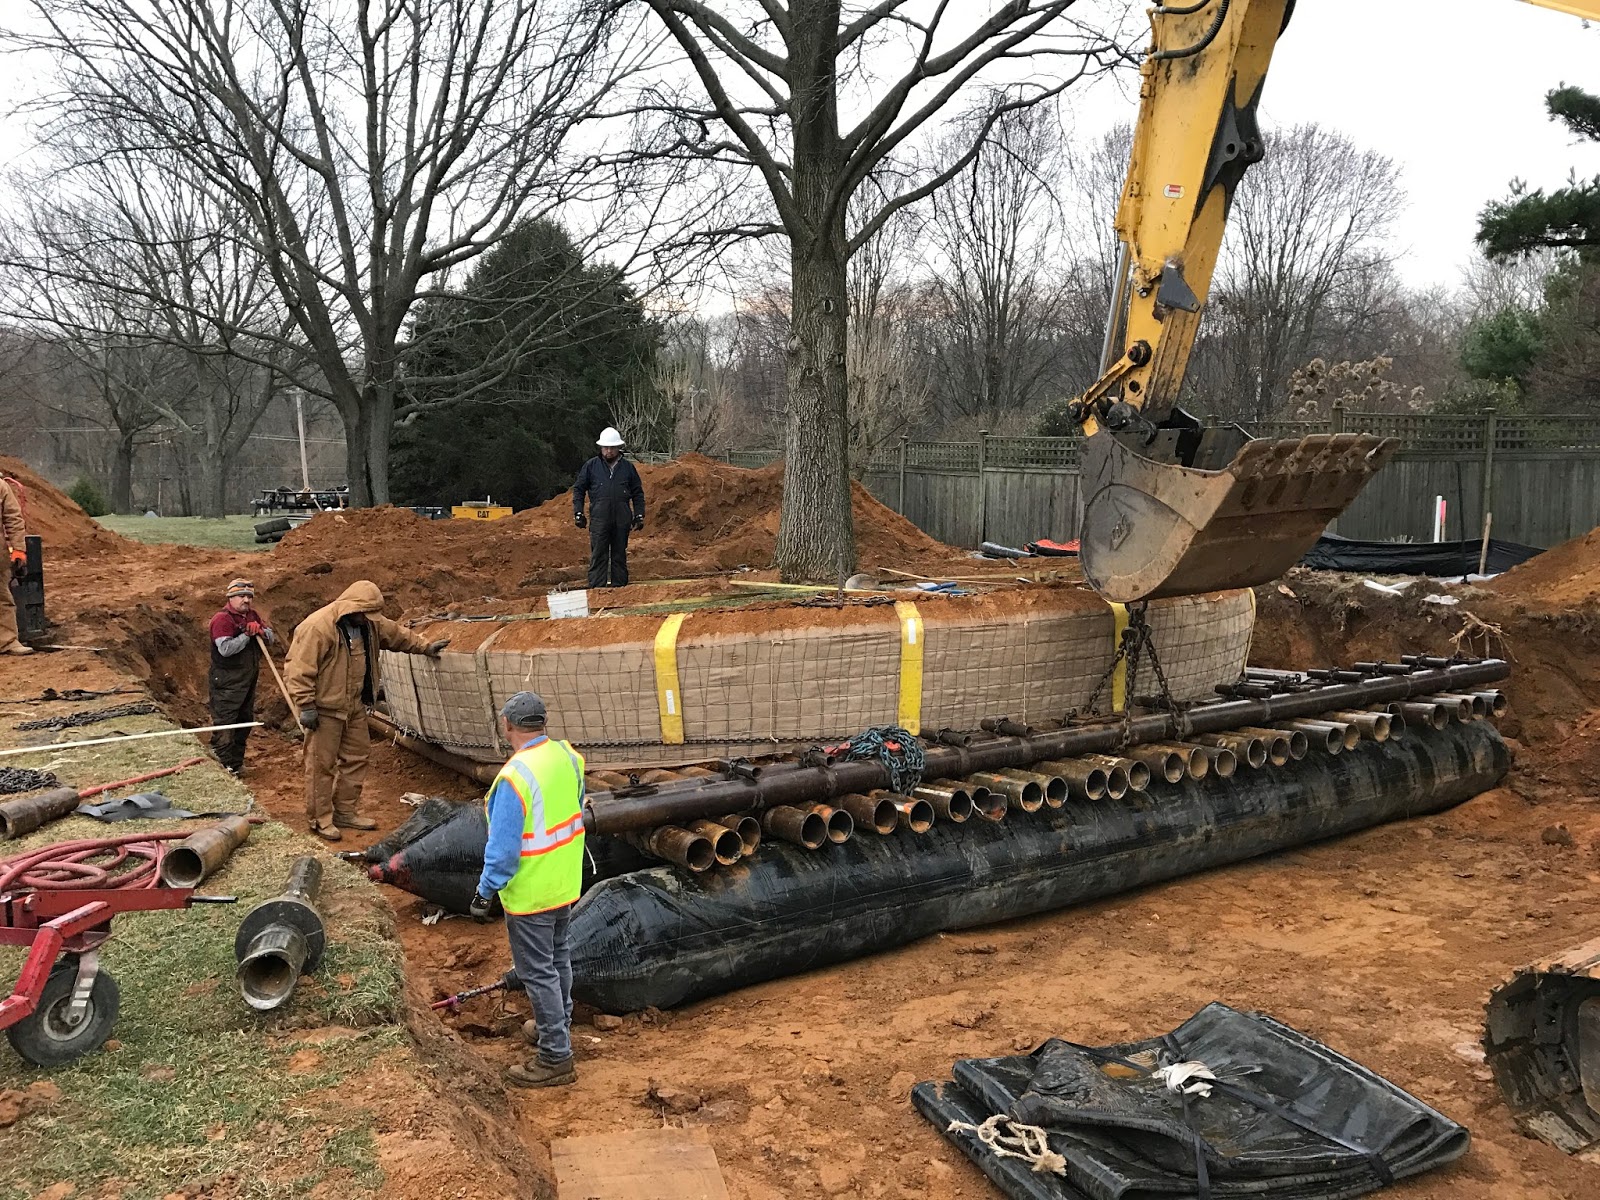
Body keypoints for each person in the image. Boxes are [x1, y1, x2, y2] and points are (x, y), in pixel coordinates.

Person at [469, 690, 586, 1089]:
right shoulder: (567, 756)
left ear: (507, 725)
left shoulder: (514, 778)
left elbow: (502, 850)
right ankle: (557, 1024)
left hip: (532, 892)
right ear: (542, 723)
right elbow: (575, 807)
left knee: (537, 972)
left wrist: (485, 892)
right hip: (564, 880)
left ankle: (555, 1056)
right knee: (558, 958)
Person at [284, 580, 449, 842]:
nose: (368, 619)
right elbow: (298, 669)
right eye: (365, 614)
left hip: (354, 705)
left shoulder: (369, 624)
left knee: (357, 758)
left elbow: (397, 635)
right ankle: (321, 819)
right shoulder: (318, 627)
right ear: (352, 607)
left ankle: (345, 812)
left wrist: (424, 646)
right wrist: (305, 705)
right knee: (321, 766)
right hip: (325, 710)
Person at [208, 578, 274, 776]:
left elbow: (271, 638)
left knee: (244, 721)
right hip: (226, 682)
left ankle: (236, 765)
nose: (246, 600)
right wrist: (246, 634)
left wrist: (261, 631)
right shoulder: (222, 620)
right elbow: (226, 649)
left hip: (247, 679)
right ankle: (222, 768)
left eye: (249, 596)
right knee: (226, 724)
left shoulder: (252, 615)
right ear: (231, 597)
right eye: (241, 596)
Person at [571, 426, 645, 589]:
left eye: (612, 448)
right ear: (601, 447)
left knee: (619, 554)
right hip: (599, 518)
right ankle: (597, 589)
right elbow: (579, 489)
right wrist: (578, 512)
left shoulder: (628, 468)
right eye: (606, 447)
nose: (609, 451)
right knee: (598, 554)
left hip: (621, 519)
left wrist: (639, 515)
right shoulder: (591, 466)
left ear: (618, 447)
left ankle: (620, 589)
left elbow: (637, 493)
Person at [0, 474, 32, 656]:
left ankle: (7, 641)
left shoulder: (1, 487)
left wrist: (19, 549)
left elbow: (13, 519)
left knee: (2, 598)